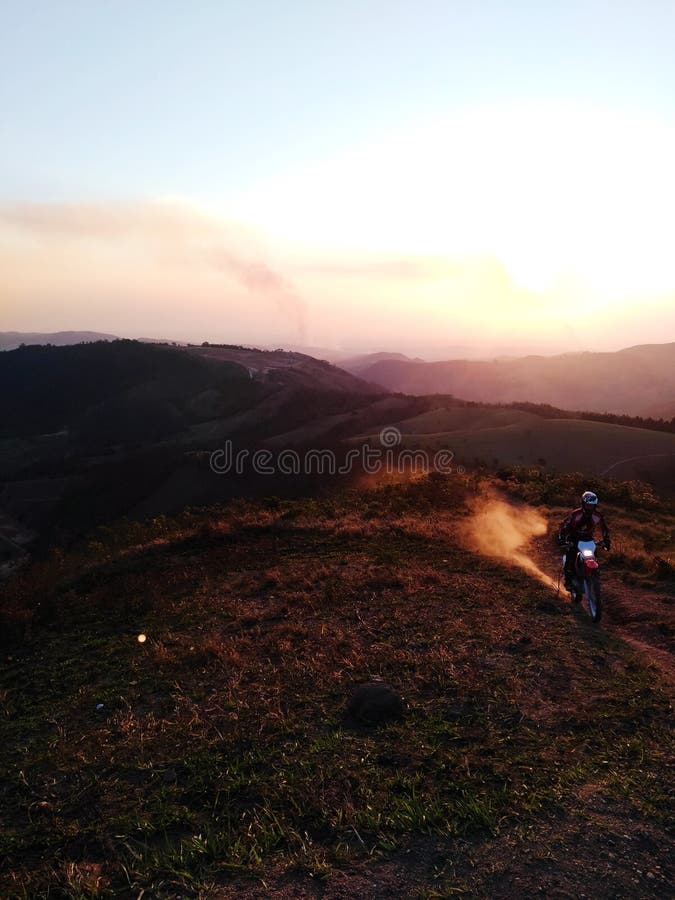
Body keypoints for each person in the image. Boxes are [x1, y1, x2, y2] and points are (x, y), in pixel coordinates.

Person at [557, 491, 611, 589]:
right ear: (583, 504)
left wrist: (606, 540)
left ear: (595, 505)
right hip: (573, 537)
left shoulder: (598, 516)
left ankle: (595, 576)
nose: (589, 507)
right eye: (587, 505)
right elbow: (564, 525)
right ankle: (568, 581)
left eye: (592, 505)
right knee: (571, 556)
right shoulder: (575, 514)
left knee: (595, 557)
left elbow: (604, 528)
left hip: (588, 539)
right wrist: (561, 538)